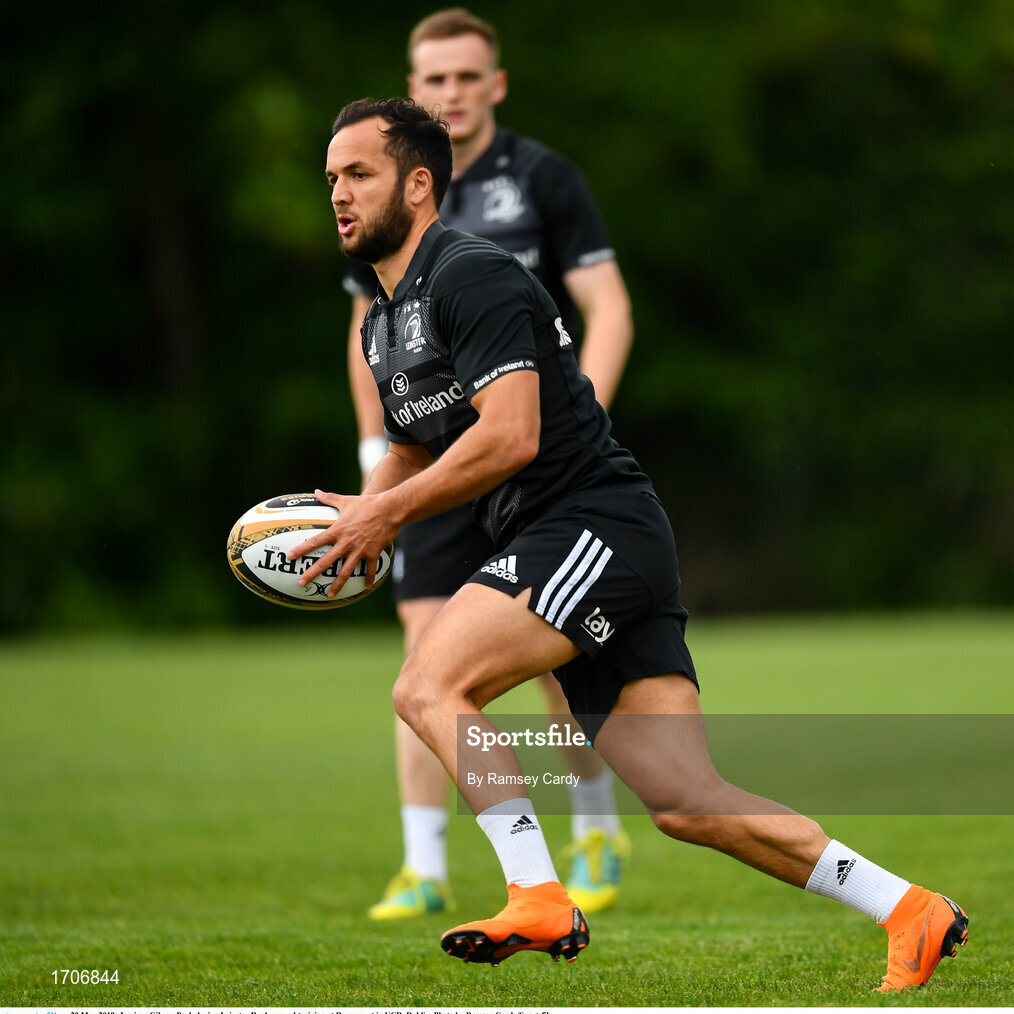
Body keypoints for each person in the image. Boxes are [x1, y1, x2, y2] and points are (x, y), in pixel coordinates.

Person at [299, 97, 969, 990]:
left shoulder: (471, 274)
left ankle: (536, 891)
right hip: (587, 541)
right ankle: (909, 909)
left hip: (587, 524)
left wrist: (389, 519)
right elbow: (418, 440)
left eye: (360, 174)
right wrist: (361, 507)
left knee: (428, 682)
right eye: (333, 178)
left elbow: (511, 438)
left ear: (419, 185)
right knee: (688, 803)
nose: (339, 194)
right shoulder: (384, 317)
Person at [343, 8, 634, 921]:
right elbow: (368, 340)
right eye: (434, 80)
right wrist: (373, 473)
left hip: (532, 459)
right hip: (432, 461)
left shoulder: (541, 179)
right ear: (414, 90)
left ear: (494, 85)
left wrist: (567, 415)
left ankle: (592, 832)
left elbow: (608, 307)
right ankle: (424, 864)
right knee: (425, 658)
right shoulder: (383, 194)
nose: (451, 93)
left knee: (544, 660)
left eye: (467, 78)